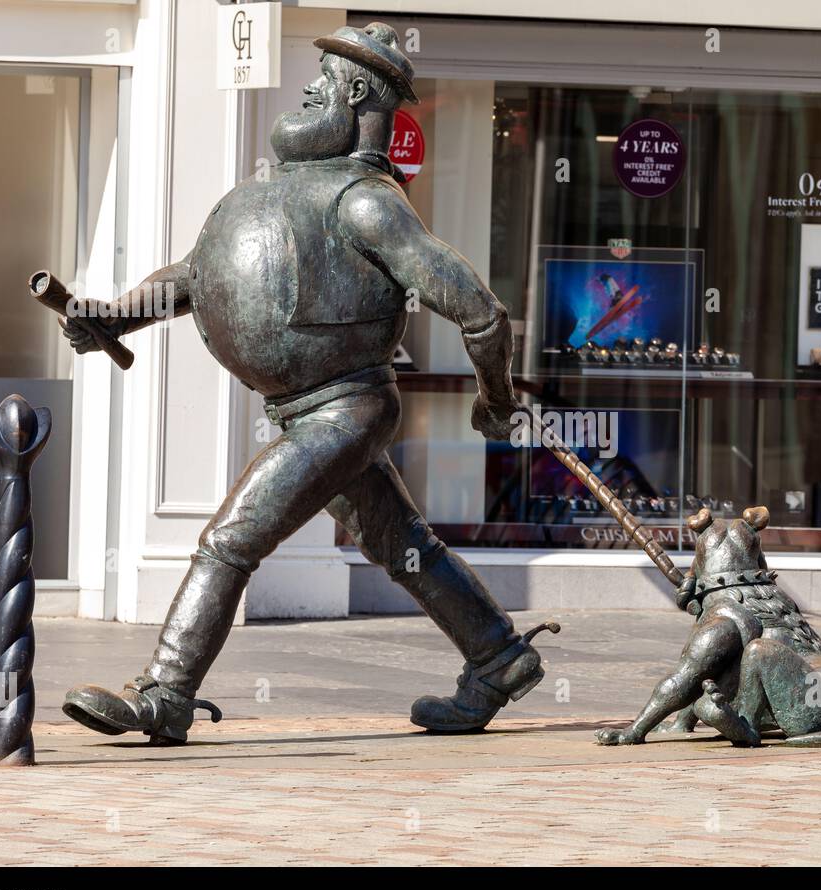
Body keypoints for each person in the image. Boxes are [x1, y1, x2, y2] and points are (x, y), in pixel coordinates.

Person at [56, 22, 549, 744]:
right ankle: (498, 655)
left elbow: (479, 310)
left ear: (355, 93)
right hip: (305, 412)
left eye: (323, 76)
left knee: (230, 538)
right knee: (401, 543)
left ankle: (165, 693)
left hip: (343, 411)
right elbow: (194, 277)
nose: (311, 87)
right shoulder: (284, 190)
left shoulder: (366, 200)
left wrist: (495, 401)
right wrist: (111, 319)